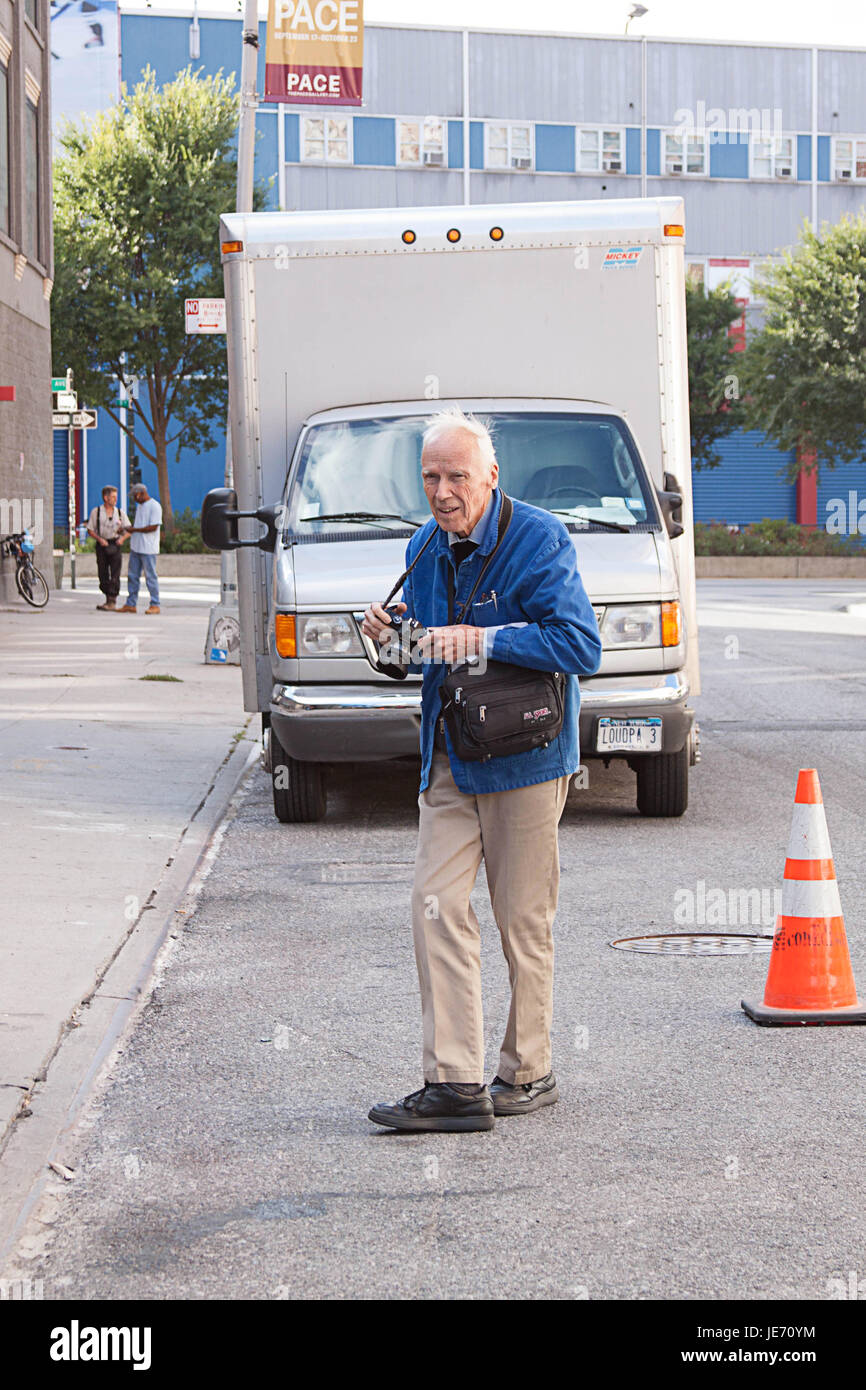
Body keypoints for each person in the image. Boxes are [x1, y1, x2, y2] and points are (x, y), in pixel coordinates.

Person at [362, 406, 602, 1133]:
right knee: (433, 904)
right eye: (431, 476)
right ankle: (455, 1085)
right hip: (450, 755)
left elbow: (579, 645)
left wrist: (482, 638)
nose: (442, 491)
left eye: (456, 476)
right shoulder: (425, 545)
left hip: (526, 756)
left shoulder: (540, 538)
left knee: (521, 920)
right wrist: (390, 640)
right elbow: (422, 655)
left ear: (492, 477)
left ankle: (527, 1071)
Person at [117, 483, 162, 615]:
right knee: (132, 576)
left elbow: (153, 527)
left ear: (141, 493)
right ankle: (131, 603)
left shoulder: (154, 506)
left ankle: (155, 604)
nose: (135, 499)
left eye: (135, 496)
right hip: (136, 547)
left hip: (148, 548)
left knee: (150, 577)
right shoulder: (140, 507)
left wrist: (134, 529)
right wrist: (126, 529)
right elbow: (138, 525)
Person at [86, 485, 131, 611]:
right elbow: (90, 529)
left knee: (115, 573)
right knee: (103, 572)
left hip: (115, 543)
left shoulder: (120, 513)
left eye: (116, 497)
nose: (115, 499)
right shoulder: (97, 512)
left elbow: (129, 529)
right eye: (113, 497)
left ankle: (112, 600)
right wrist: (100, 539)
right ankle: (107, 598)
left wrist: (122, 539)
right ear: (106, 498)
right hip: (102, 545)